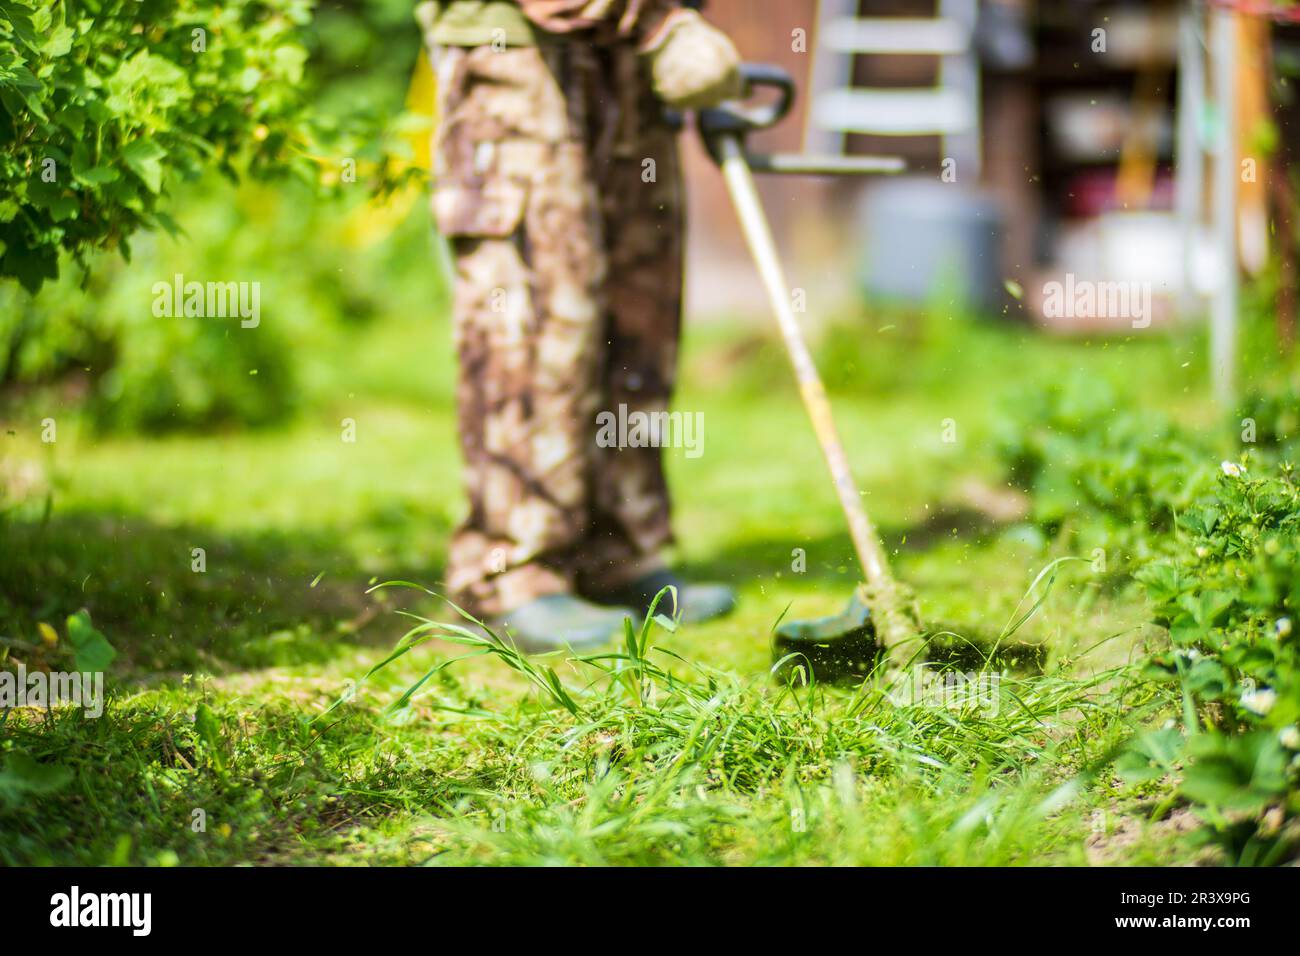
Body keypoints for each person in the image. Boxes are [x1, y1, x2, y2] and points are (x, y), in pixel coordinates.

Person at [416, 0, 744, 650]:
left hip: (624, 55)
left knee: (636, 303)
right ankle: (510, 573)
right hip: (514, 44)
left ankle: (617, 552)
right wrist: (659, 22)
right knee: (539, 312)